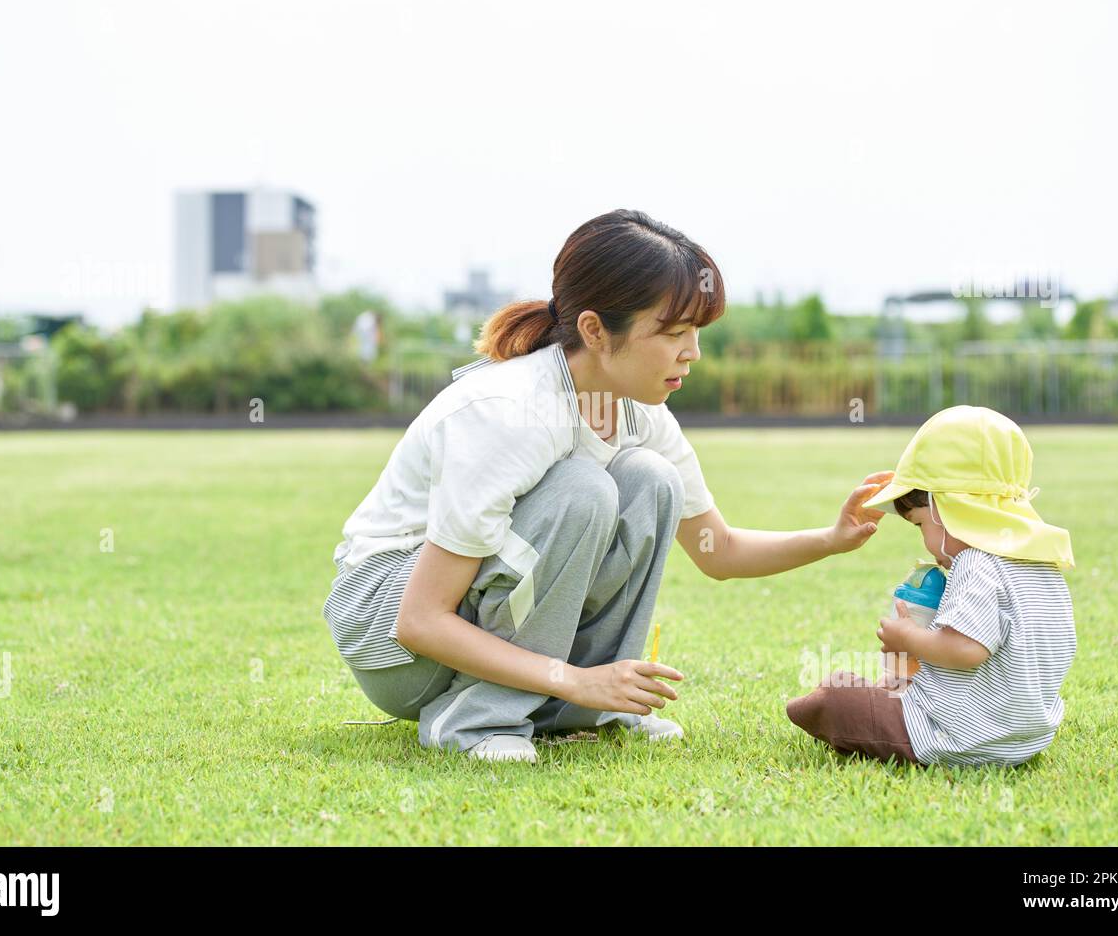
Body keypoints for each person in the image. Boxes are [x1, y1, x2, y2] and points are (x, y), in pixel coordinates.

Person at [324, 208, 890, 763]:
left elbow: (719, 553)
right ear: (595, 330)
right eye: (673, 332)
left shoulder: (638, 411)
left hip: (451, 629)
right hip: (394, 647)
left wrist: (831, 538)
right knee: (582, 487)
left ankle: (581, 711)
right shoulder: (511, 413)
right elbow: (420, 620)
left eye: (695, 332)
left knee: (650, 479)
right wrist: (569, 675)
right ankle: (475, 717)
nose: (692, 351)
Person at [786, 406, 1077, 767]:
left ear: (945, 507)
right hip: (1024, 738)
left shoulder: (977, 562)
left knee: (835, 693)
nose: (925, 540)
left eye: (920, 523)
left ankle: (816, 706)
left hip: (957, 734)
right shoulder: (1039, 562)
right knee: (882, 687)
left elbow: (966, 649)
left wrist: (906, 638)